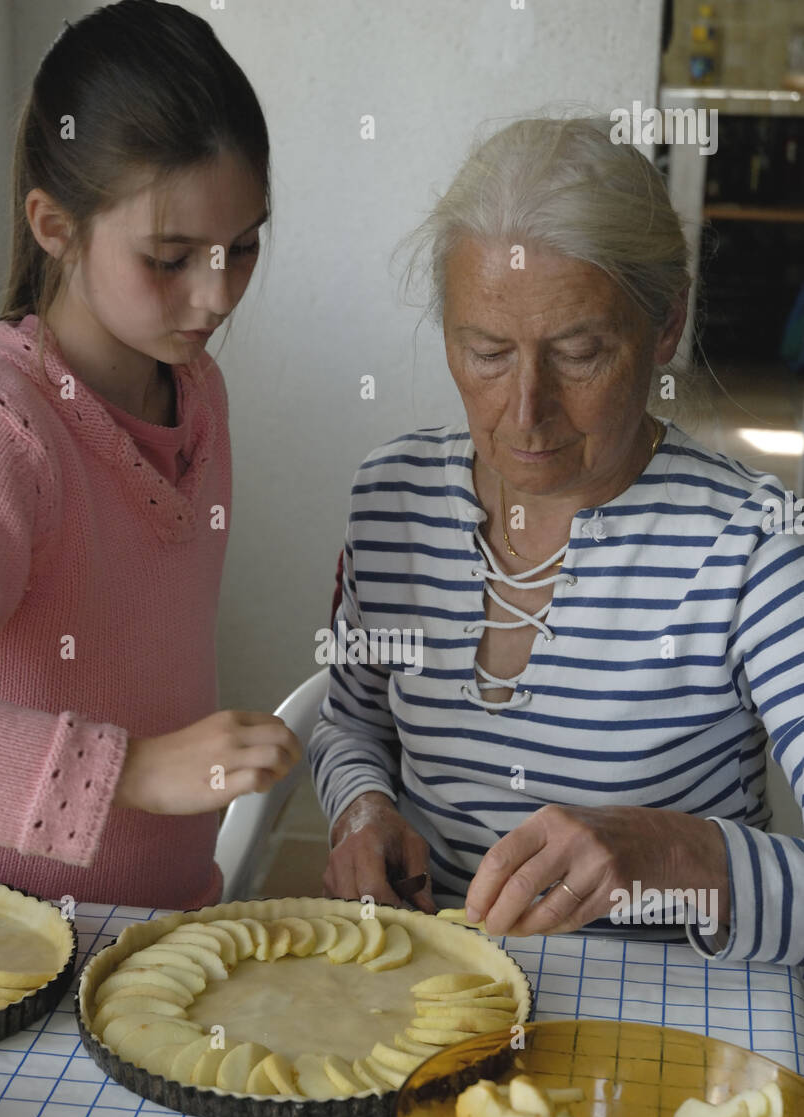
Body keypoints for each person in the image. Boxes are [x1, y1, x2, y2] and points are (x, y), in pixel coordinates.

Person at [309, 116, 804, 967]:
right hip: (436, 999)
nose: (527, 411)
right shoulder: (392, 499)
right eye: (488, 352)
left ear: (664, 326)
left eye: (580, 352)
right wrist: (363, 811)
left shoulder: (754, 548)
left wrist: (680, 856)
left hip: (663, 1035)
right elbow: (349, 723)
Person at [0, 0, 300, 910]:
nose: (216, 296)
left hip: (158, 923)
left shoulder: (195, 389)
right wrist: (131, 769)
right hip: (7, 961)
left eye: (242, 247)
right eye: (171, 258)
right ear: (55, 226)